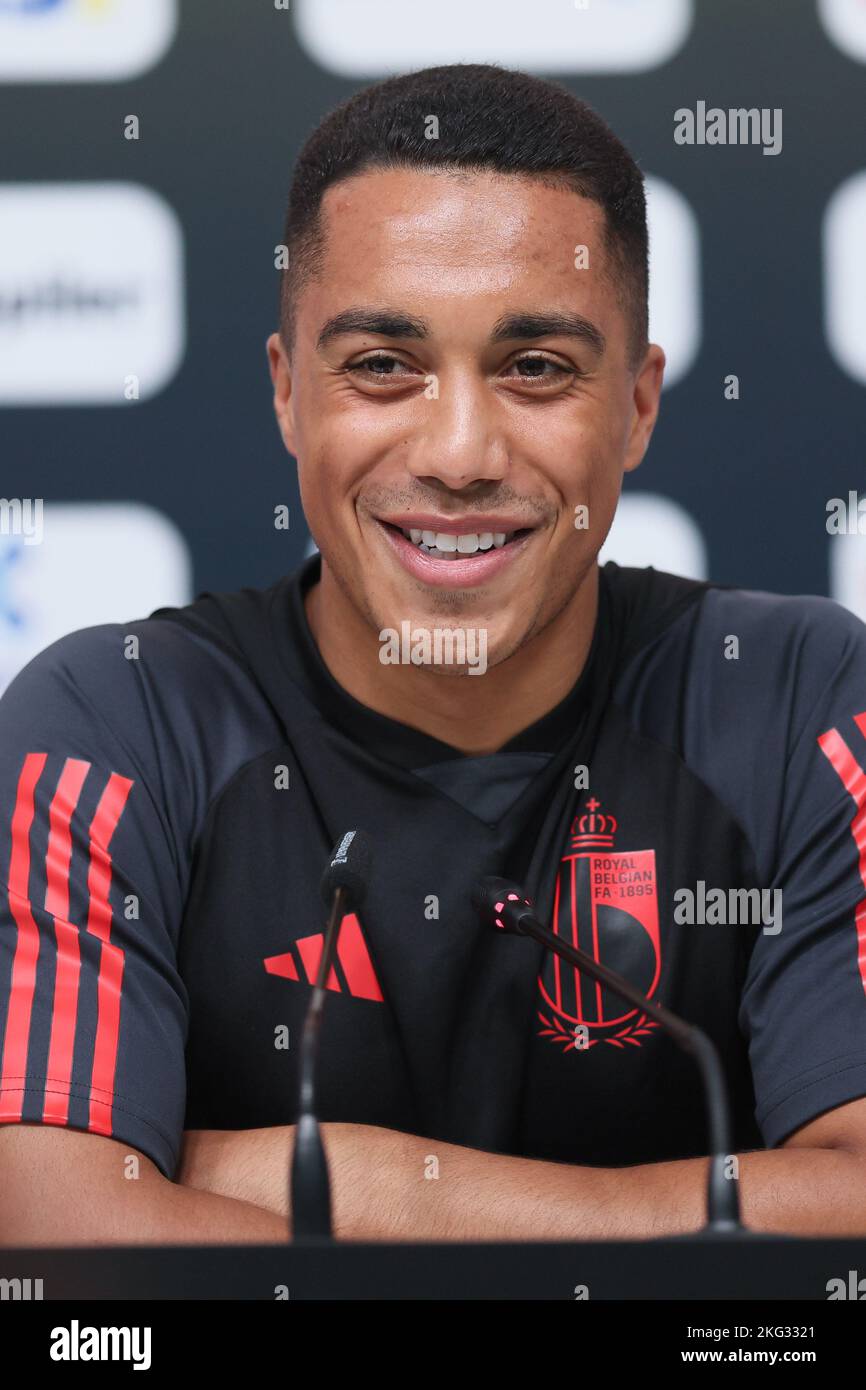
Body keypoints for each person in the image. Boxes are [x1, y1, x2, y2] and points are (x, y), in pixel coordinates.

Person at [2, 64, 866, 1246]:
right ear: (287, 394)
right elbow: (65, 1246)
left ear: (636, 404)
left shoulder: (792, 700)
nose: (458, 453)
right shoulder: (116, 722)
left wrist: (359, 1185)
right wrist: (684, 1222)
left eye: (535, 368)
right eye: (380, 366)